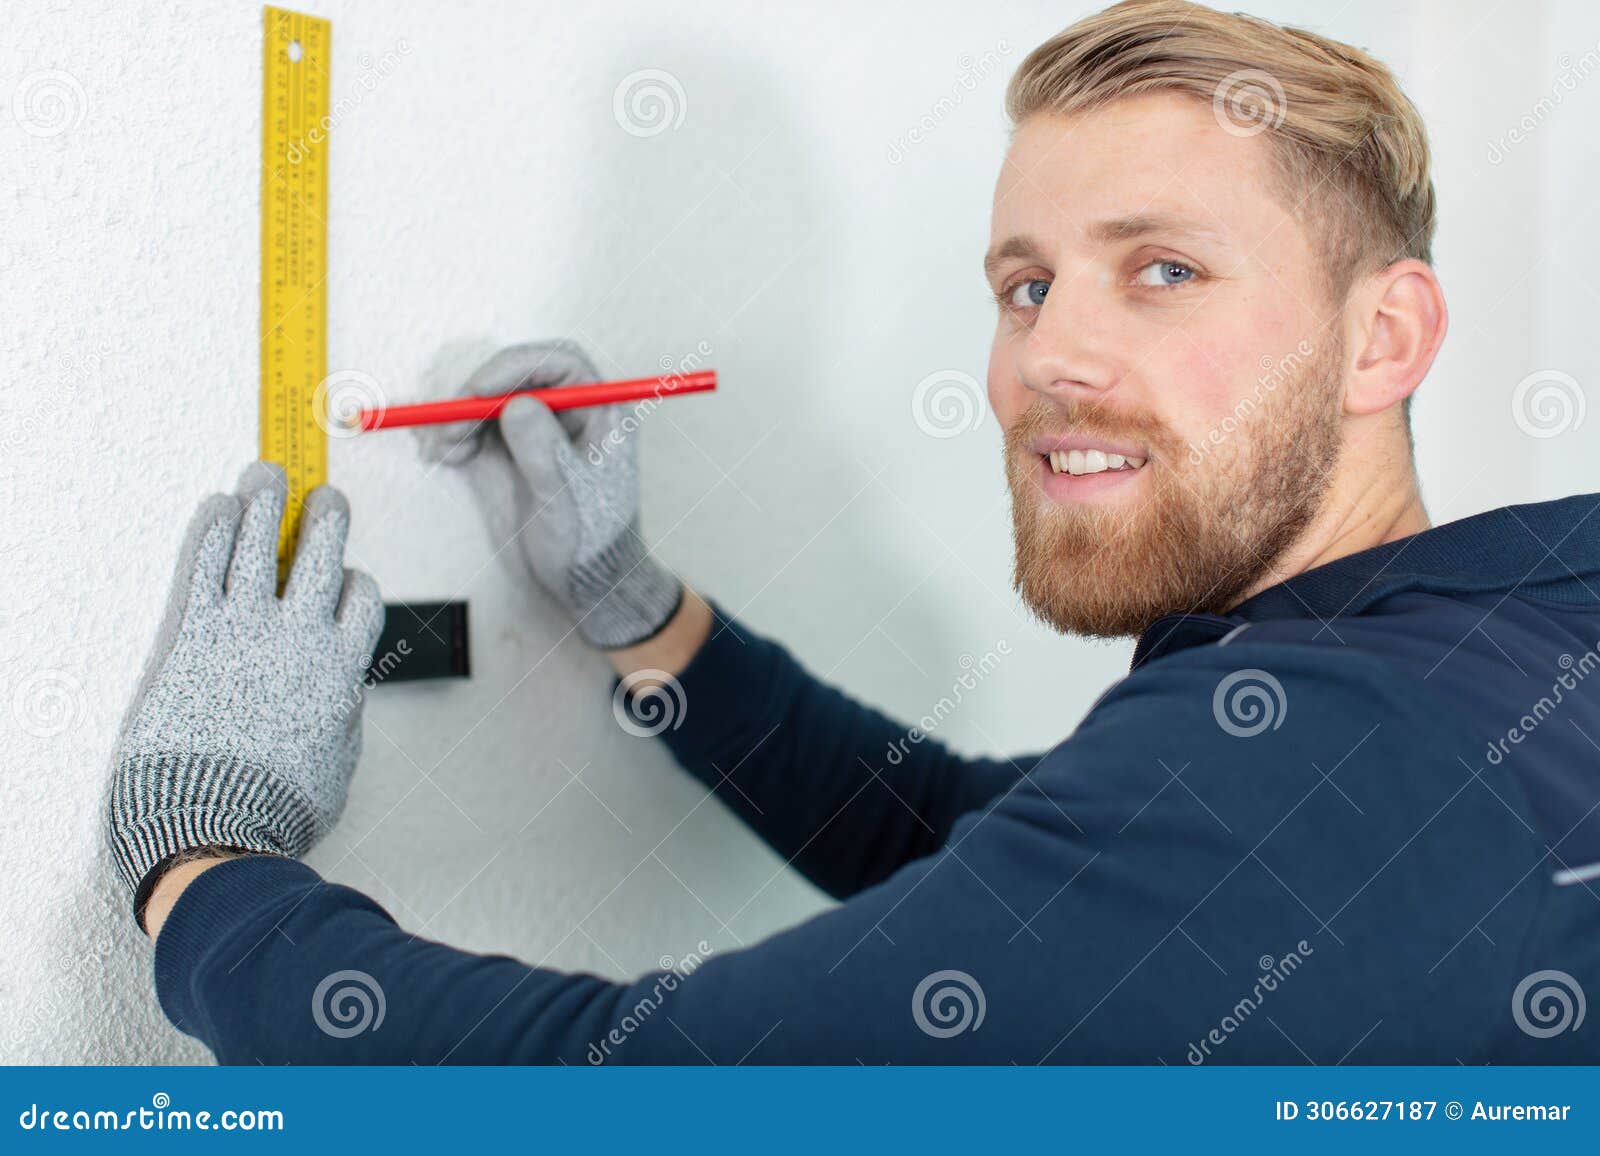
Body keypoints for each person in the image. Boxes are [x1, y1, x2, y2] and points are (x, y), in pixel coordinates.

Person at [107, 0, 1599, 1063]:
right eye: (1027, 284)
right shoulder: (1501, 638)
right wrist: (643, 614)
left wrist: (201, 869)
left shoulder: (1316, 767)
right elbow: (978, 850)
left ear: (1382, 336)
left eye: (1164, 271)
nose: (1046, 361)